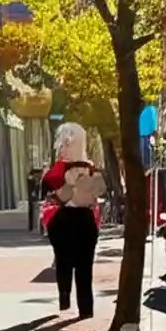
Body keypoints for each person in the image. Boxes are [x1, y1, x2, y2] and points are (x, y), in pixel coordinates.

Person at [41, 122, 106, 319]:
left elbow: (96, 191)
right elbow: (60, 193)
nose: (65, 147)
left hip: (72, 218)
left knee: (73, 262)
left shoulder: (87, 169)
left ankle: (71, 302)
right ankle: (77, 304)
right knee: (76, 263)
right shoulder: (82, 169)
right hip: (76, 218)